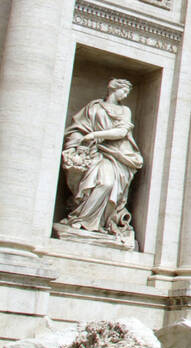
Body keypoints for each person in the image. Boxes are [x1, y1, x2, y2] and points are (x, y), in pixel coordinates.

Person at [58, 78, 143, 246]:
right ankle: (81, 220)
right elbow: (78, 128)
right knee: (93, 184)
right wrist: (80, 142)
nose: (125, 95)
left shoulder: (124, 110)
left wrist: (95, 135)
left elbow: (122, 131)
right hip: (93, 152)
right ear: (113, 88)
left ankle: (93, 222)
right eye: (123, 91)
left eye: (127, 93)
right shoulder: (93, 107)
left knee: (107, 183)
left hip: (115, 154)